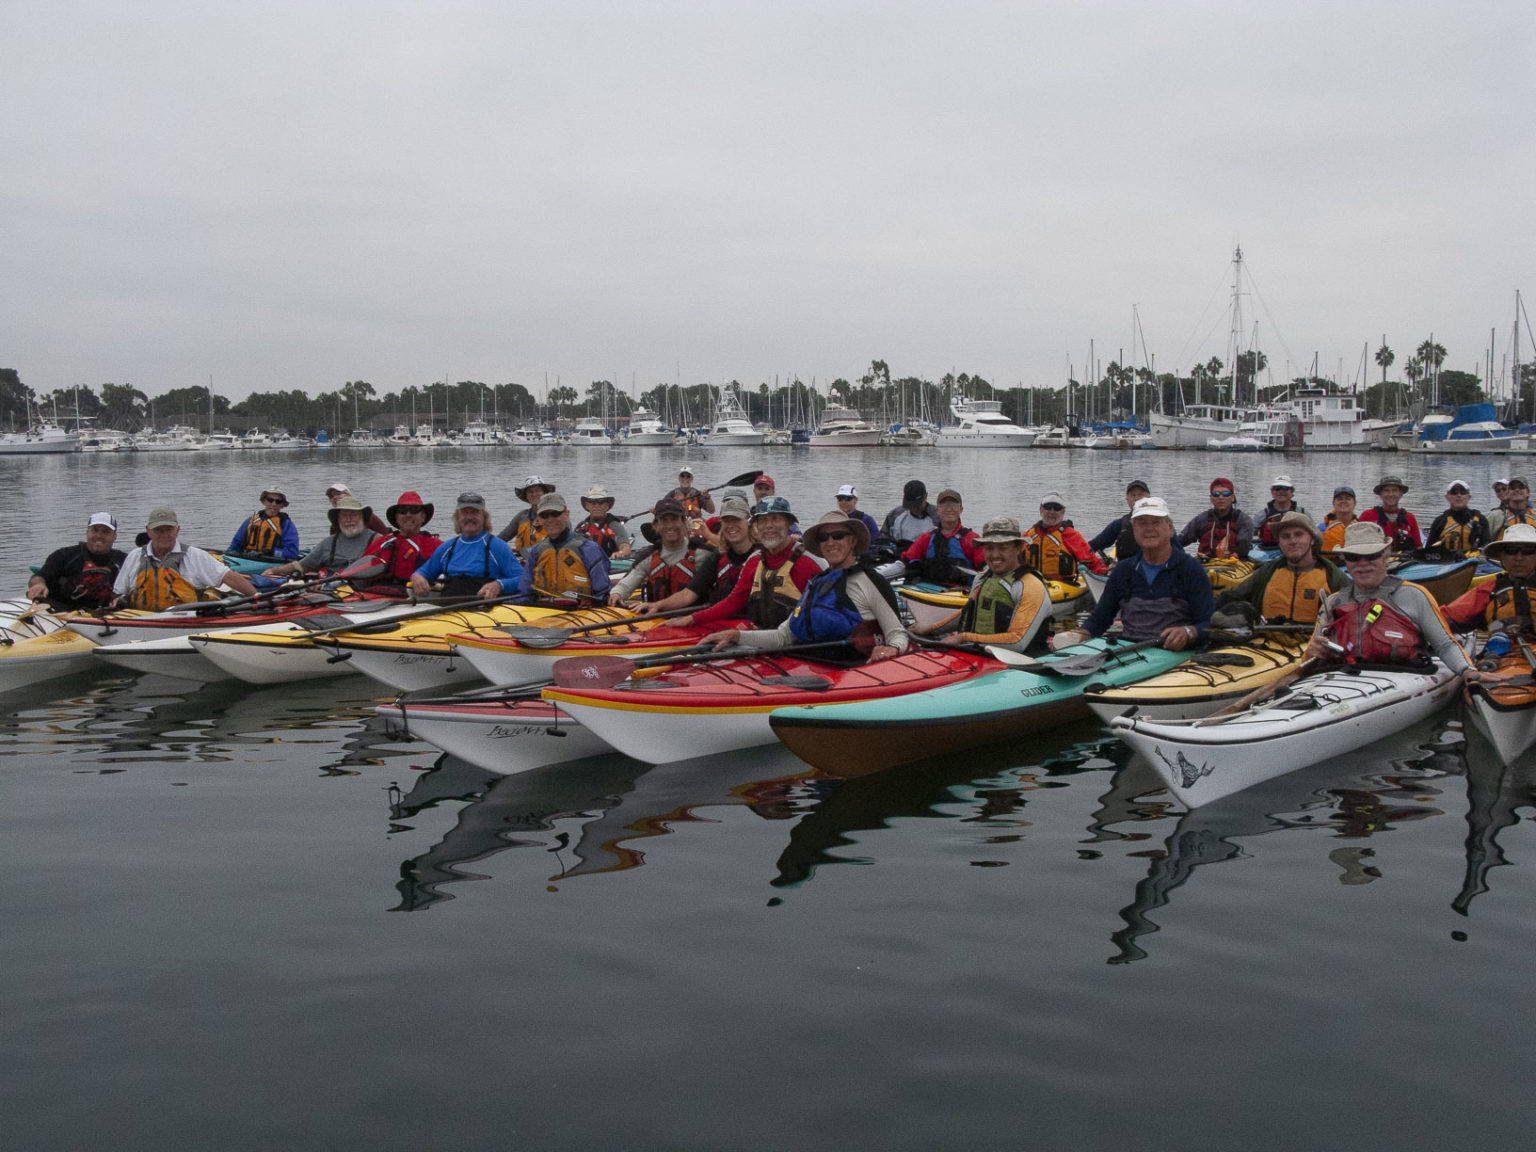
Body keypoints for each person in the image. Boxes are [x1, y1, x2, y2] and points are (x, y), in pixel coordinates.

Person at [701, 510, 909, 663]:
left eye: (838, 535)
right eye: (823, 537)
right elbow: (782, 637)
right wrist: (736, 636)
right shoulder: (816, 583)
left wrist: (892, 648)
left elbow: (898, 633)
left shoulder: (868, 581)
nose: (830, 542)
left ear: (852, 541)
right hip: (807, 667)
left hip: (849, 671)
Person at [1305, 521, 1477, 677]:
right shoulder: (1333, 602)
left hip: (1406, 678)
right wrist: (1311, 653)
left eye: (1371, 555)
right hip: (1343, 680)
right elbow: (1310, 654)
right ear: (1346, 561)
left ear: (1385, 557)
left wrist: (1468, 671)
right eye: (1354, 557)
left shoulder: (1415, 595)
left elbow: (1445, 645)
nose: (1362, 563)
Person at [1056, 497, 1212, 651]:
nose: (1149, 528)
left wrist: (1189, 632)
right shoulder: (1123, 571)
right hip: (1131, 652)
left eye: (1156, 522)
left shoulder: (1191, 569)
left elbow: (1208, 624)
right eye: (1142, 523)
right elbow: (1099, 620)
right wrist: (1077, 635)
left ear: (1170, 528)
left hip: (1177, 656)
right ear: (1134, 530)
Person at [679, 496, 823, 630]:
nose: (769, 525)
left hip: (800, 643)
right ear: (756, 526)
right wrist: (692, 619)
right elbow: (734, 601)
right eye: (763, 520)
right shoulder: (755, 560)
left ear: (789, 524)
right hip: (765, 638)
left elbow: (824, 615)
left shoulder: (811, 563)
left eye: (775, 519)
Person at [931, 516, 1051, 654]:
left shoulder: (1030, 586)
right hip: (977, 653)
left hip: (1022, 661)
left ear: (1018, 548)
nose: (995, 555)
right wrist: (930, 629)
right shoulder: (981, 578)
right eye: (989, 548)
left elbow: (1017, 642)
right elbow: (968, 611)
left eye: (1003, 548)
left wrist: (964, 637)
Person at [1213, 512, 1347, 626]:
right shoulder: (1267, 573)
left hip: (1315, 642)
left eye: (1298, 534)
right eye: (1285, 536)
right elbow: (1230, 596)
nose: (1292, 541)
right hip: (1268, 641)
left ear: (1312, 539)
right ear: (1279, 542)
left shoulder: (1332, 576)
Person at [636, 493, 759, 617]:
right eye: (726, 521)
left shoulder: (761, 555)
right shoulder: (718, 555)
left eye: (736, 520)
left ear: (748, 522)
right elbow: (689, 594)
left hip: (754, 623)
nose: (731, 525)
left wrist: (692, 618)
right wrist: (657, 605)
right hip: (724, 620)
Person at [114, 507, 258, 610]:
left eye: (168, 529)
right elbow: (119, 592)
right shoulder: (134, 556)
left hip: (185, 621)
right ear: (148, 531)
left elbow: (229, 577)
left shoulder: (194, 555)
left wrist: (257, 598)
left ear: (177, 530)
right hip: (141, 620)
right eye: (158, 530)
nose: (164, 534)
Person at [409, 492, 524, 600]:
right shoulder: (447, 548)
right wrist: (417, 576)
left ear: (484, 517)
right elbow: (424, 572)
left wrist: (499, 585)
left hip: (483, 607)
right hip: (449, 607)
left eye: (474, 512)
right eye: (464, 513)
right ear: (457, 517)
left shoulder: (497, 547)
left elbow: (523, 579)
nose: (469, 517)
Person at [607, 498, 711, 604]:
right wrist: (617, 593)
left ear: (684, 522)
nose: (670, 526)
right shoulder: (649, 556)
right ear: (656, 525)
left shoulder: (703, 554)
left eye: (674, 519)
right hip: (657, 614)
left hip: (695, 613)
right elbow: (628, 582)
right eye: (664, 520)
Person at [1443, 524, 1536, 640]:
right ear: (1502, 557)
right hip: (1500, 649)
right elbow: (1445, 616)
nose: (1519, 558)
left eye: (1527, 551)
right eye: (1511, 551)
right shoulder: (1488, 591)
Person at [520, 492, 612, 603]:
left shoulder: (589, 549)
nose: (550, 520)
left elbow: (603, 594)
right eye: (544, 515)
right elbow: (525, 593)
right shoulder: (536, 552)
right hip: (543, 610)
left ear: (566, 514)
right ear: (539, 518)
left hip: (582, 611)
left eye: (555, 514)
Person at [262, 496, 381, 580]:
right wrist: (274, 571)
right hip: (333, 593)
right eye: (344, 516)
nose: (349, 520)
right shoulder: (328, 543)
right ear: (338, 520)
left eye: (353, 515)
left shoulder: (379, 541)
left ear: (362, 517)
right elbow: (302, 565)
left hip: (368, 594)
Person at [27, 512, 127, 611]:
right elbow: (39, 577)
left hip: (110, 614)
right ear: (87, 533)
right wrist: (38, 585)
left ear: (114, 536)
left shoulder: (125, 560)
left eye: (105, 532)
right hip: (61, 612)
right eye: (94, 530)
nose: (99, 535)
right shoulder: (63, 555)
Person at [363, 491, 442, 595]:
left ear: (423, 516)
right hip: (371, 595)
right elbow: (360, 569)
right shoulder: (380, 542)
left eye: (414, 510)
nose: (408, 515)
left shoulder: (436, 546)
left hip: (411, 597)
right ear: (396, 517)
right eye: (403, 511)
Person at [901, 489, 983, 584]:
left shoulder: (972, 539)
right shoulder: (926, 539)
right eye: (944, 505)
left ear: (961, 510)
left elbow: (986, 568)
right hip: (928, 589)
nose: (949, 509)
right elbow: (905, 562)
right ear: (937, 510)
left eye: (954, 505)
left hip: (962, 590)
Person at [1021, 491, 1108, 580]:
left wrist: (1106, 573)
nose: (1052, 512)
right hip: (1032, 582)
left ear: (1063, 512)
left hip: (1063, 583)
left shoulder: (1071, 535)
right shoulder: (1028, 535)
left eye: (1057, 508)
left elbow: (1092, 562)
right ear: (1041, 510)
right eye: (1048, 507)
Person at [1176, 477, 1254, 560]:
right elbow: (1180, 541)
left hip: (1233, 562)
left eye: (1225, 494)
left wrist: (1233, 553)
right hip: (1205, 561)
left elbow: (1244, 546)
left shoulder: (1243, 520)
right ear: (1211, 499)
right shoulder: (1202, 519)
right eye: (1216, 494)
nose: (1221, 497)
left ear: (1232, 498)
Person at [228, 485, 301, 560]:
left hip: (271, 562)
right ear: (264, 501)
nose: (274, 504)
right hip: (246, 559)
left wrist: (270, 552)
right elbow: (234, 546)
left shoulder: (286, 525)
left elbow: (292, 553)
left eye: (278, 502)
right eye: (270, 500)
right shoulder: (250, 521)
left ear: (282, 505)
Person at [1088, 479, 1151, 564]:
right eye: (1133, 495)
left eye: (1140, 495)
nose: (1136, 498)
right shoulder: (1119, 525)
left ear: (1149, 497)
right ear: (1127, 499)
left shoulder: (1161, 523)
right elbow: (1093, 546)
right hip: (1126, 569)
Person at [1425, 480, 1491, 552]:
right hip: (1447, 558)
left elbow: (1487, 545)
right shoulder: (1439, 521)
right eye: (1454, 492)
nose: (1459, 495)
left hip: (1473, 558)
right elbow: (1428, 550)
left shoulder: (1480, 520)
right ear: (1447, 497)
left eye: (1463, 492)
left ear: (1469, 497)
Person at [1358, 475, 1421, 551]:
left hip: (1404, 558)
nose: (1390, 494)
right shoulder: (1367, 516)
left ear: (1401, 494)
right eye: (1386, 491)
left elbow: (1418, 546)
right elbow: (1357, 544)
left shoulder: (1410, 518)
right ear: (1380, 494)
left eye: (1394, 490)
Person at [498, 476, 555, 557]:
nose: (534, 494)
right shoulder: (521, 516)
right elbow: (501, 538)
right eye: (530, 492)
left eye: (537, 490)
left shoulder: (556, 515)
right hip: (525, 560)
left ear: (544, 493)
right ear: (526, 496)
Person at [877, 479, 941, 551]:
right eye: (910, 505)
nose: (914, 509)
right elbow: (882, 540)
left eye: (917, 505)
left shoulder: (939, 516)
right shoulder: (895, 515)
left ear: (926, 496)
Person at [575, 485, 632, 560]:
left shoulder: (615, 526)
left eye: (601, 502)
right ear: (587, 506)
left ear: (607, 506)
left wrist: (620, 553)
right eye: (593, 503)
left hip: (610, 564)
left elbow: (625, 547)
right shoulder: (581, 527)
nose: (597, 506)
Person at [1256, 475, 1308, 547]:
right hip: (1268, 549)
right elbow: (1250, 533)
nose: (1280, 491)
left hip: (1296, 549)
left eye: (1285, 488)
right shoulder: (1263, 514)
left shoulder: (1303, 513)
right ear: (1272, 492)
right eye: (1277, 488)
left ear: (1291, 492)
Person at [834, 485, 879, 554]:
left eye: (848, 499)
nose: (843, 502)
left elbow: (876, 544)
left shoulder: (867, 520)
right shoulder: (833, 519)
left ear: (856, 500)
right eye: (840, 498)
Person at [1319, 486, 1359, 553]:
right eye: (1340, 499)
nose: (1343, 501)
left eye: (1348, 498)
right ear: (1333, 503)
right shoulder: (1321, 528)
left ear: (1355, 503)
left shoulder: (1361, 528)